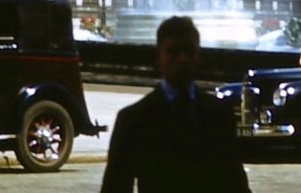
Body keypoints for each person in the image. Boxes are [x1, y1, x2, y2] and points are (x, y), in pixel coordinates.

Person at [100, 16, 251, 193]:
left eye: (189, 51)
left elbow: (236, 182)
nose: (182, 59)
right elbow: (115, 187)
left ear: (198, 57)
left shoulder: (220, 115)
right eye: (174, 51)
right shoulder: (133, 120)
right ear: (159, 57)